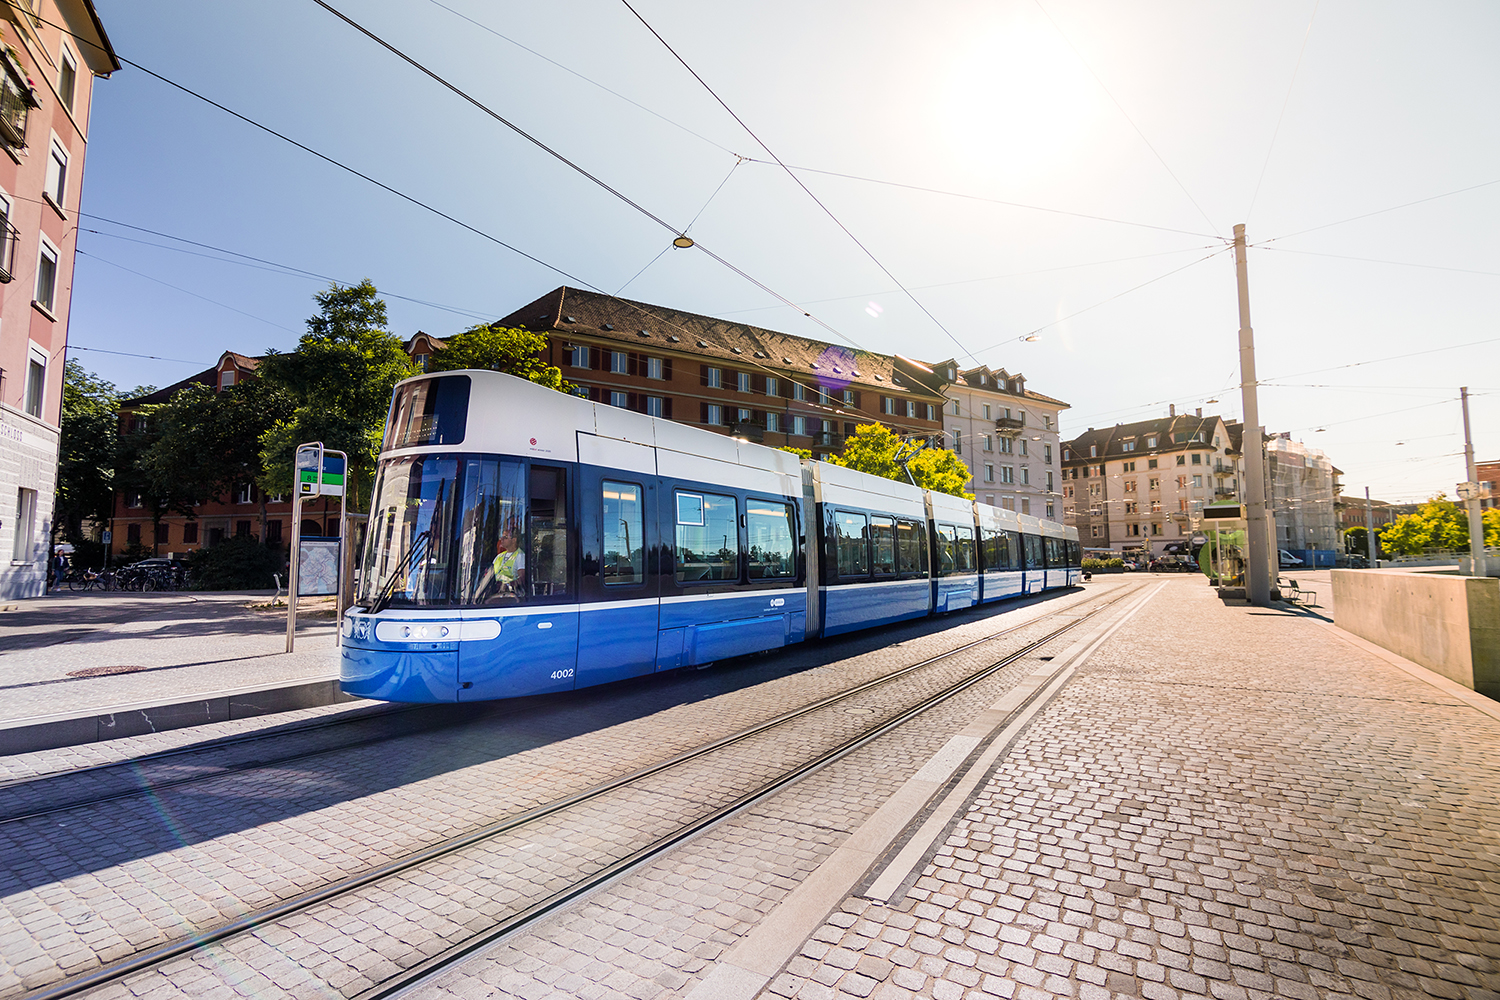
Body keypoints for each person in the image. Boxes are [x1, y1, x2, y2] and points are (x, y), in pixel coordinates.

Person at [476, 526, 526, 602]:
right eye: (501, 537)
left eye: (505, 537)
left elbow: (522, 579)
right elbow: (489, 575)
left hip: (512, 596)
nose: (501, 539)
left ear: (514, 540)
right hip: (495, 593)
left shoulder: (520, 556)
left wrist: (507, 585)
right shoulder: (499, 556)